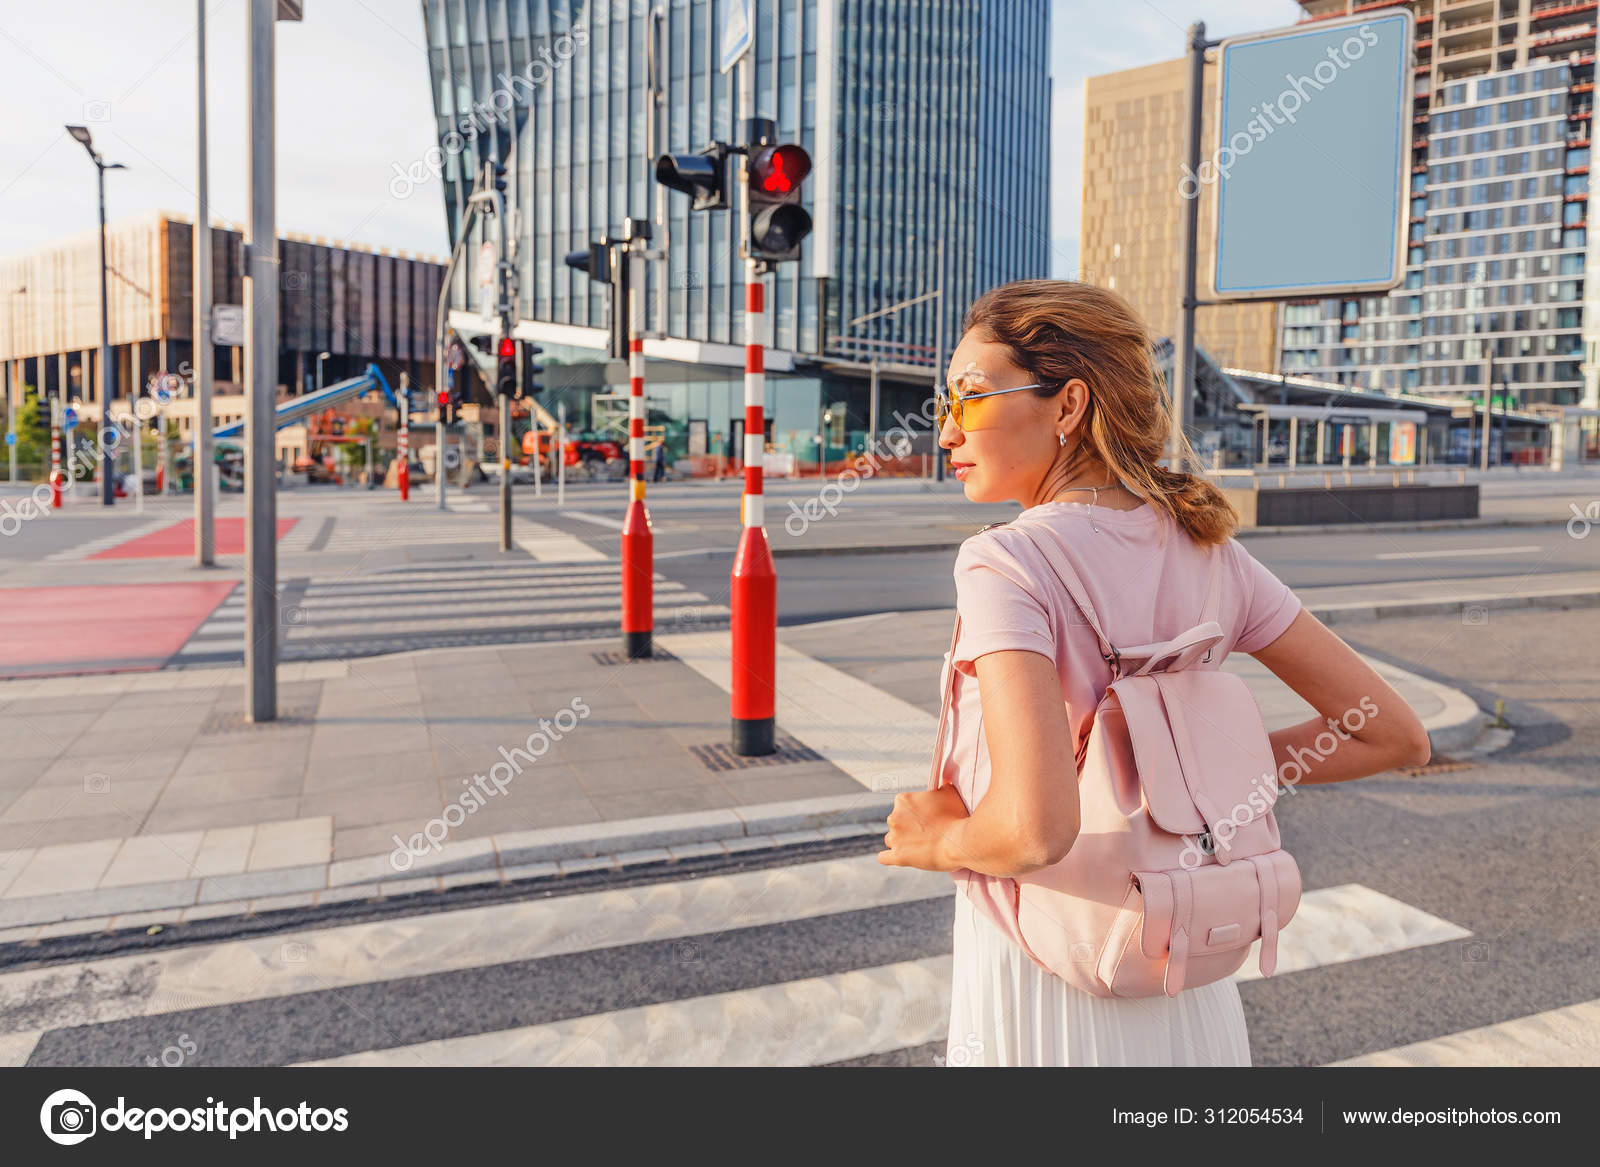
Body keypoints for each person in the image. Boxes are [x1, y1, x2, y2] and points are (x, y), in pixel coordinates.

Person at [876, 279, 1431, 1067]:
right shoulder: (1211, 552)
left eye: (968, 397)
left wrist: (938, 841)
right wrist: (1193, 776)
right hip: (1185, 971)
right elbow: (1392, 734)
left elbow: (1034, 831)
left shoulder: (1007, 562)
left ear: (1068, 405)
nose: (945, 429)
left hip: (1052, 976)